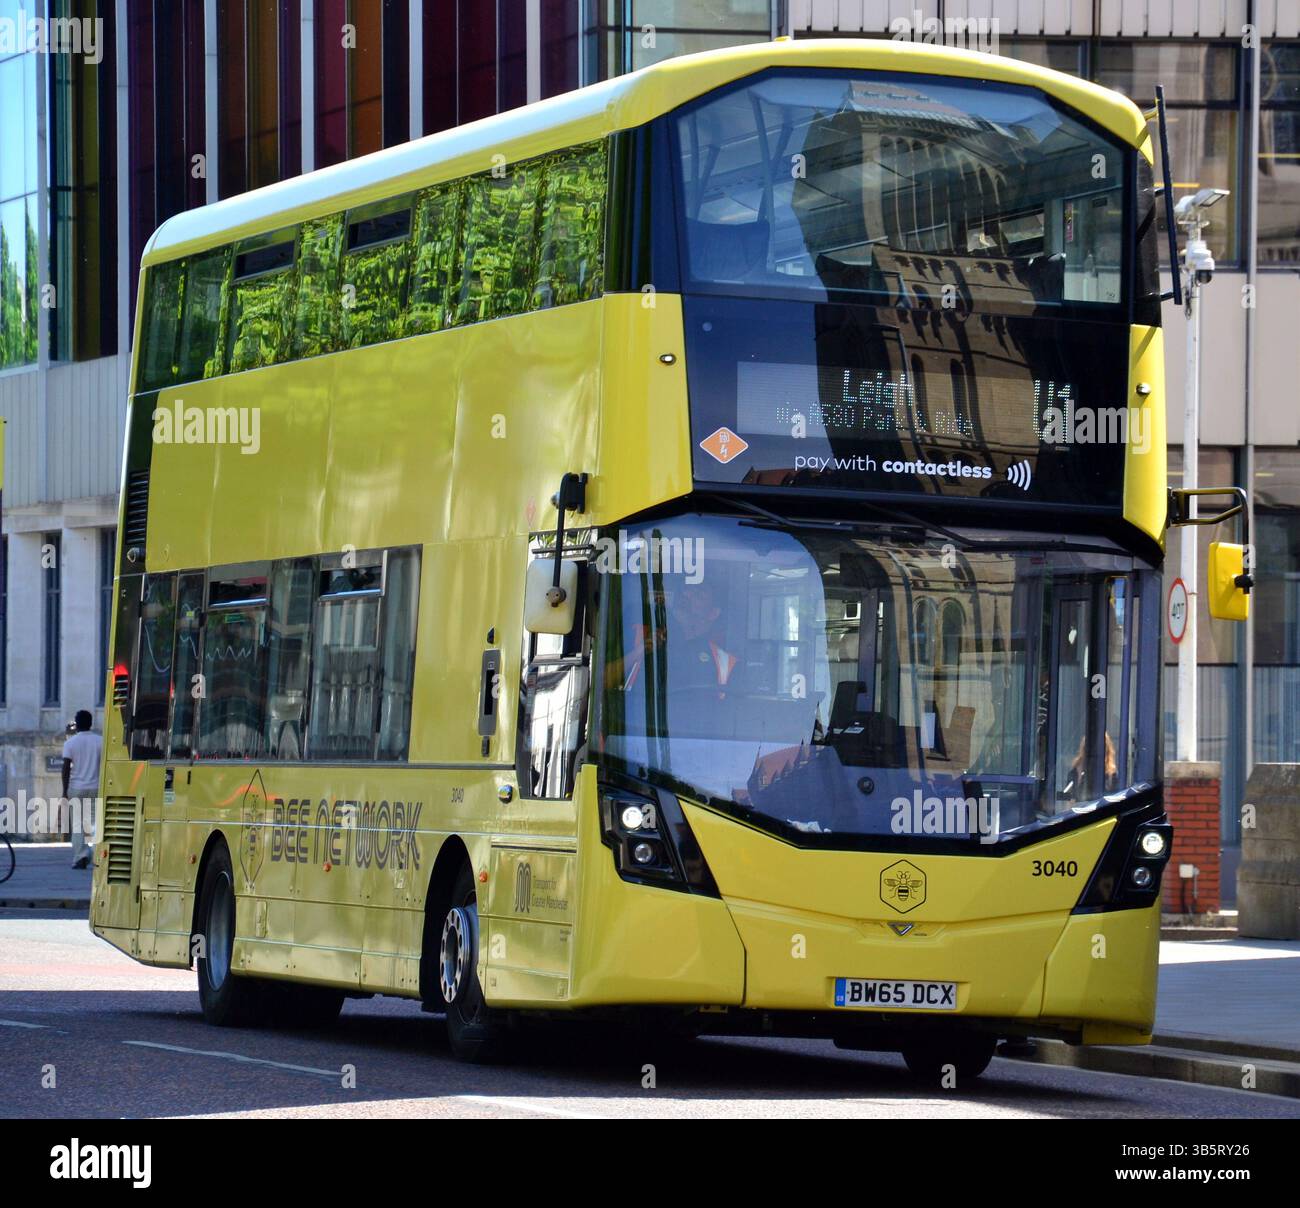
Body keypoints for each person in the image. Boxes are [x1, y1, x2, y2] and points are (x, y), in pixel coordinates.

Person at [62, 710, 103, 870]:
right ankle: (96, 856)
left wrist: (64, 791)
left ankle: (81, 857)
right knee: (94, 824)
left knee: (78, 825)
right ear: (91, 723)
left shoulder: (70, 743)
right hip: (96, 788)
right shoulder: (100, 741)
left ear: (76, 724)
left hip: (76, 789)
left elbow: (66, 769)